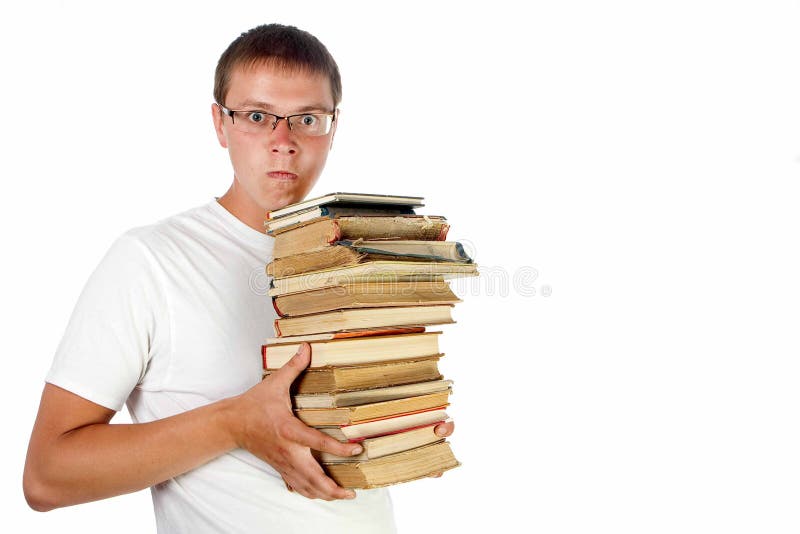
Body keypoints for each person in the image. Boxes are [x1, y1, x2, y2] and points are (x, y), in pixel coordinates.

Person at [23, 23, 454, 533]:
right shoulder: (150, 261)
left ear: (333, 127)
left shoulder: (357, 256)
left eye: (307, 119)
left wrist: (401, 427)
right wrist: (235, 424)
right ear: (219, 123)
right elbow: (46, 477)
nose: (284, 142)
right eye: (257, 116)